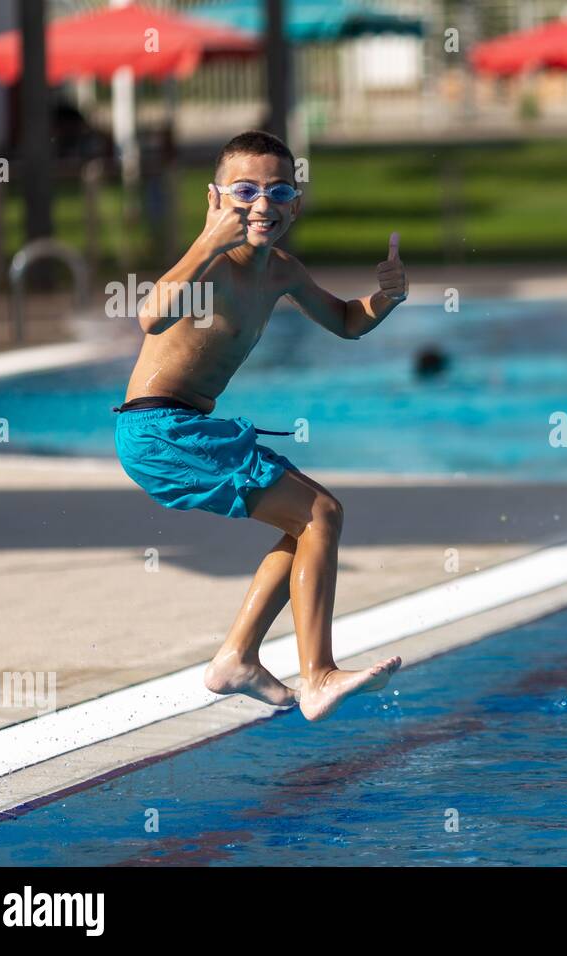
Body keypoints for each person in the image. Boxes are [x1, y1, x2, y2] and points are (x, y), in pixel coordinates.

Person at [113, 131, 407, 721]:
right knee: (322, 513)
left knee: (310, 523)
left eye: (278, 191)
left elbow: (347, 322)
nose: (262, 204)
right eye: (245, 191)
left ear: (294, 204)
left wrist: (386, 299)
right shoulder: (212, 263)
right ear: (215, 198)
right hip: (159, 430)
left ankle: (238, 659)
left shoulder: (282, 273)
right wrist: (205, 240)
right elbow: (150, 315)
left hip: (184, 428)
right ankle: (316, 675)